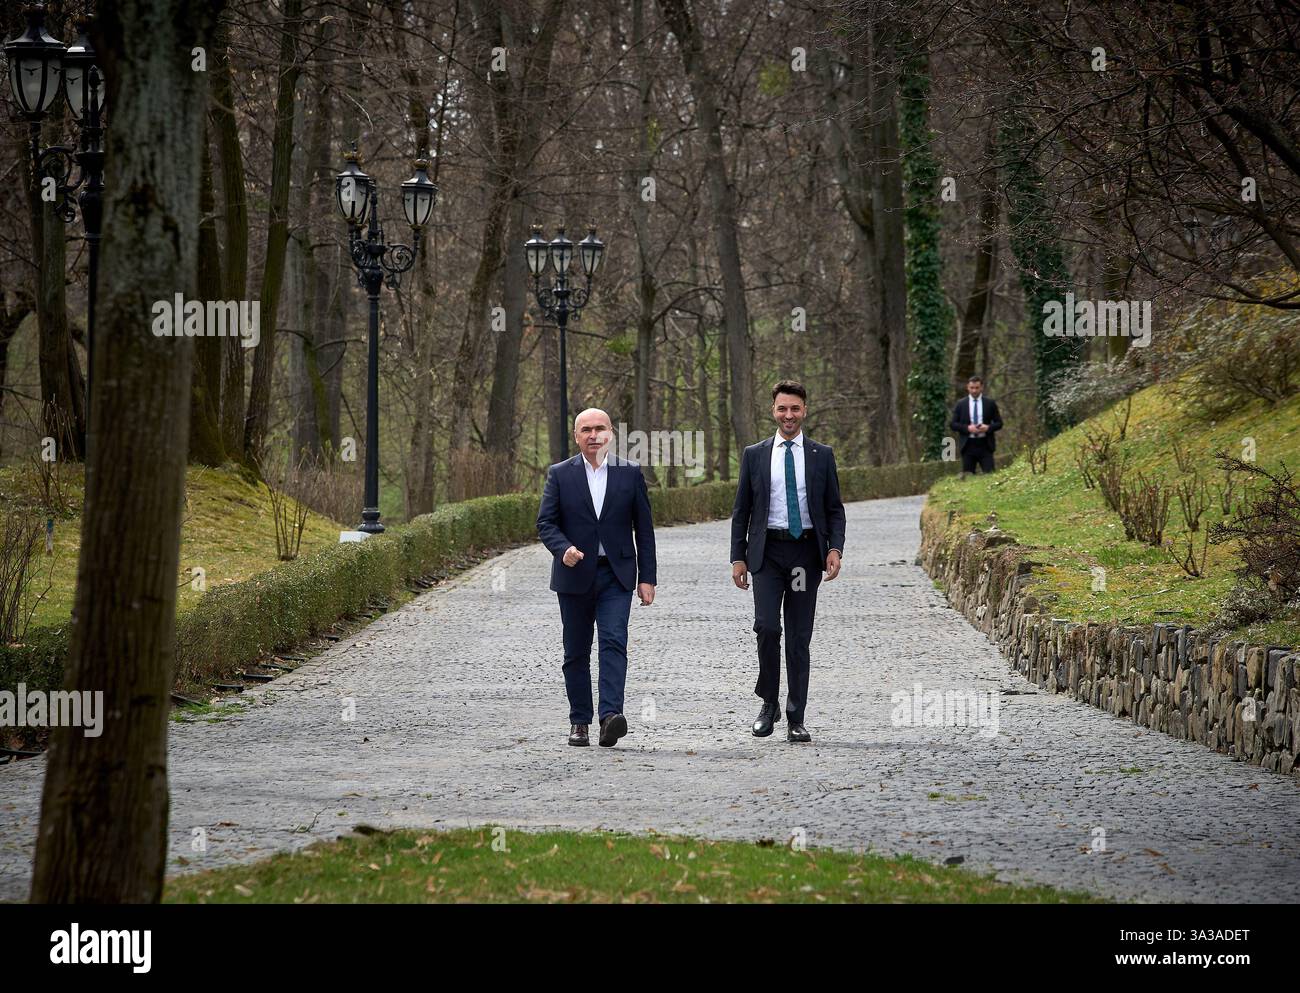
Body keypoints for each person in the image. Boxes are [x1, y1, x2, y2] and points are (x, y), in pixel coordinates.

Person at [730, 381, 845, 743]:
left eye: (794, 409)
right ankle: (768, 704)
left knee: (797, 636)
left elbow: (834, 509)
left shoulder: (821, 455)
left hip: (804, 556)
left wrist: (834, 549)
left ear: (804, 410)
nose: (788, 415)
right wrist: (738, 557)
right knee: (766, 628)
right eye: (782, 409)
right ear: (773, 411)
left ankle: (796, 715)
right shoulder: (756, 454)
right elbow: (741, 510)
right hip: (767, 555)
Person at [537, 408, 657, 747]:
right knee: (575, 651)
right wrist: (564, 549)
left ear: (611, 434)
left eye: (600, 429)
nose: (593, 435)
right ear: (576, 437)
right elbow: (545, 522)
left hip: (616, 575)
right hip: (574, 575)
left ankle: (609, 717)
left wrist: (647, 578)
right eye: (586, 430)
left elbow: (644, 530)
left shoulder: (629, 473)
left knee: (613, 642)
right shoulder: (560, 474)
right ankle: (579, 722)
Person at [949, 376, 1003, 476]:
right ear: (967, 387)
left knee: (990, 475)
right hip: (968, 444)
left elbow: (999, 423)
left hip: (985, 445)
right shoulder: (961, 404)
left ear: (981, 387)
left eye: (977, 388)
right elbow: (953, 424)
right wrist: (967, 428)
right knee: (968, 477)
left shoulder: (990, 403)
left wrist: (988, 428)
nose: (974, 391)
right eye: (972, 388)